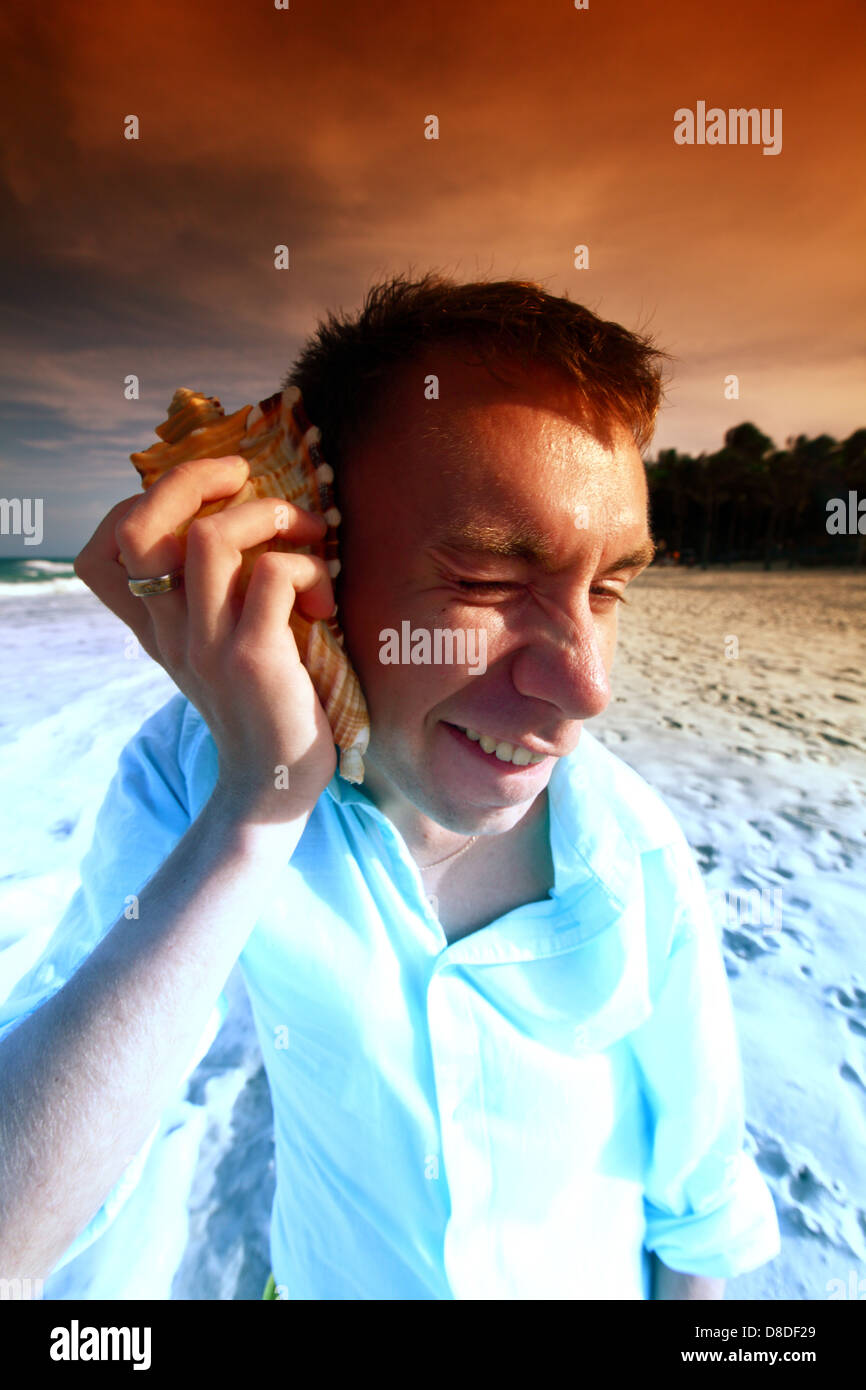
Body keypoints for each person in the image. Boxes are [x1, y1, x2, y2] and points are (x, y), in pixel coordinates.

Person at [0, 273, 781, 1300]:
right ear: (312, 574)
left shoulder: (632, 851)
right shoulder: (203, 776)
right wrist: (258, 808)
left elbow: (699, 1205)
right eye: (487, 580)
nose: (588, 688)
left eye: (606, 588)